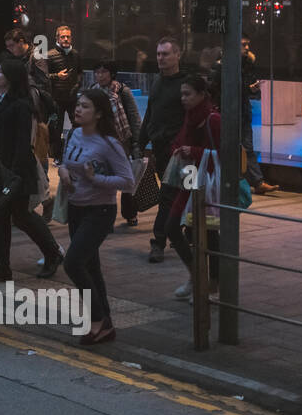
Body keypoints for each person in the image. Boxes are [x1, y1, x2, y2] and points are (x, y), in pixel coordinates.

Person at [58, 89, 136, 344]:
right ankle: (106, 325)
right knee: (91, 266)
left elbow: (127, 181)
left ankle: (97, 318)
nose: (78, 110)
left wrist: (97, 179)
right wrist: (63, 172)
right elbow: (65, 163)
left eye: (86, 107)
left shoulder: (109, 143)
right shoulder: (74, 133)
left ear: (99, 113)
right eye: (78, 105)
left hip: (99, 210)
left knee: (72, 263)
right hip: (76, 207)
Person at [0, 58, 64, 281]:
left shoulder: (20, 105)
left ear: (10, 78)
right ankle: (3, 266)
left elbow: (21, 143)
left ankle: (51, 254)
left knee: (20, 217)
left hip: (16, 172)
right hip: (6, 169)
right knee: (9, 217)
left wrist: (12, 174)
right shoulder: (4, 101)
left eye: (0, 70)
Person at [163, 75, 221, 300]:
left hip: (205, 180)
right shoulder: (190, 116)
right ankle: (196, 276)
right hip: (190, 176)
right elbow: (180, 139)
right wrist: (178, 148)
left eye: (188, 94)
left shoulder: (212, 119)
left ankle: (212, 285)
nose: (183, 98)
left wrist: (193, 151)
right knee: (174, 226)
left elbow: (222, 154)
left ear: (201, 94)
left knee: (208, 231)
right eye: (182, 94)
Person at [136, 36, 189, 264]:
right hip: (162, 151)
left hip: (182, 154)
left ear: (178, 55)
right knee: (175, 195)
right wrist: (140, 141)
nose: (160, 58)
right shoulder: (158, 82)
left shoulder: (185, 84)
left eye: (165, 54)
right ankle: (181, 235)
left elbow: (192, 118)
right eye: (158, 54)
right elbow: (151, 113)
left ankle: (159, 240)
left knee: (175, 194)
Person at [218, 35, 277, 196]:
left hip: (243, 111)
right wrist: (248, 88)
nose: (247, 48)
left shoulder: (247, 63)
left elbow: (246, 86)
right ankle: (248, 181)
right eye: (243, 45)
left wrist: (252, 88)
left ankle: (257, 182)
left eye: (248, 45)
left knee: (247, 147)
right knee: (231, 147)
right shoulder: (224, 65)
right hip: (230, 111)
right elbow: (228, 88)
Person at [93, 61, 141, 225]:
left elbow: (134, 118)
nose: (100, 75)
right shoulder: (93, 91)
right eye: (97, 72)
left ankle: (130, 213)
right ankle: (104, 215)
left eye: (104, 72)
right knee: (103, 178)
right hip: (99, 140)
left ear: (112, 74)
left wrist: (136, 142)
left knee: (125, 177)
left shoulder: (122, 91)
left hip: (121, 140)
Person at [45, 24, 82, 160]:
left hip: (72, 97)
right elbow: (43, 76)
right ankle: (58, 157)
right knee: (56, 129)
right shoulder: (50, 55)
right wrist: (57, 76)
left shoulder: (75, 54)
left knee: (78, 126)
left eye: (68, 36)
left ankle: (75, 154)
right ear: (57, 38)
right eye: (63, 37)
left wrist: (77, 84)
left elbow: (79, 72)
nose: (66, 39)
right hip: (56, 98)